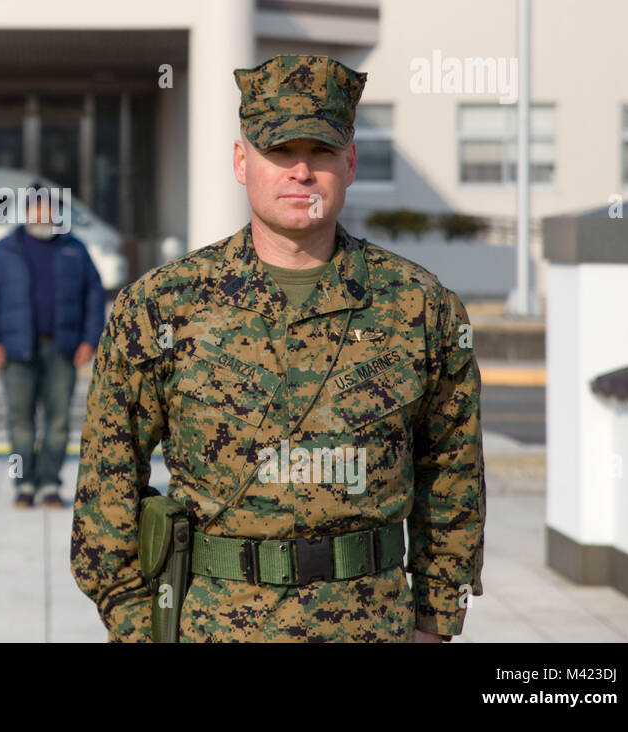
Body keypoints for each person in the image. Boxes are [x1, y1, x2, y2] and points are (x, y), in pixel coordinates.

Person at [71, 54, 485, 642]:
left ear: (350, 162)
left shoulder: (421, 308)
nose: (301, 172)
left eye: (320, 152)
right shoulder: (164, 305)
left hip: (371, 626)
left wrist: (436, 625)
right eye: (279, 152)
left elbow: (452, 477)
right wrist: (139, 627)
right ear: (243, 163)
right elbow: (106, 484)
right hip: (212, 627)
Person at [0, 189, 104, 508]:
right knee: (20, 423)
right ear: (27, 212)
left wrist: (90, 340)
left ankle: (49, 483)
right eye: (37, 209)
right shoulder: (6, 249)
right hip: (17, 351)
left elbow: (94, 295)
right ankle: (23, 484)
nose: (43, 216)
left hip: (62, 348)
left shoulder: (74, 248)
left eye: (49, 210)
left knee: (59, 422)